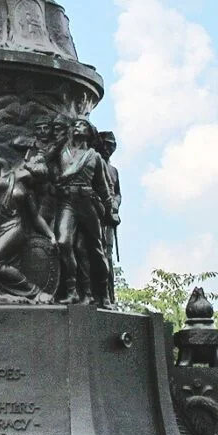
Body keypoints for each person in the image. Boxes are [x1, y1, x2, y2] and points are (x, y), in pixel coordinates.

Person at [53, 115, 113, 306]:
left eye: (83, 125)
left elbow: (103, 187)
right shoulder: (62, 152)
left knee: (95, 249)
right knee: (63, 242)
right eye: (76, 124)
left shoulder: (94, 157)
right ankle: (72, 291)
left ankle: (103, 294)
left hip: (87, 202)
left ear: (89, 132)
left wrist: (110, 209)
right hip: (67, 201)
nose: (78, 126)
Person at [0, 153, 57, 302]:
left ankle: (34, 291)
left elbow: (35, 217)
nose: (31, 180)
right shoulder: (4, 168)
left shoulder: (27, 191)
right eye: (32, 175)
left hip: (14, 227)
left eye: (35, 179)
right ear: (26, 168)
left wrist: (51, 235)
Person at [98, 130, 121, 304]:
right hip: (95, 213)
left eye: (111, 146)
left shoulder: (113, 171)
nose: (108, 149)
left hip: (108, 219)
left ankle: (109, 295)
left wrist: (115, 204)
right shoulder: (94, 162)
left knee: (107, 255)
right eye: (105, 144)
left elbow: (118, 193)